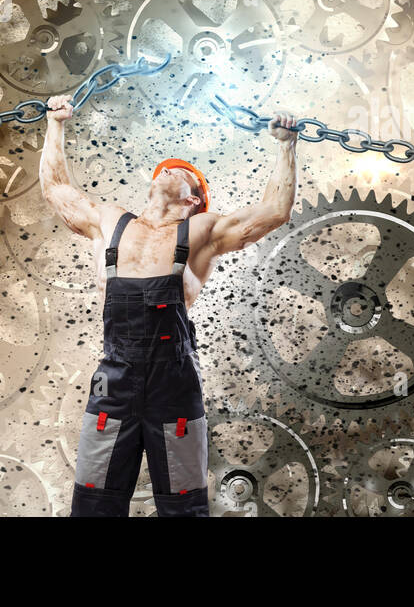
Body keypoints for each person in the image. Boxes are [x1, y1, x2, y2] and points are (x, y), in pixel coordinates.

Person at [39, 93, 298, 517]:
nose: (169, 169)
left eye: (182, 172)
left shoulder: (201, 232)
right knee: (93, 505)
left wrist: (286, 146)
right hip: (114, 381)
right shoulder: (109, 221)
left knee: (184, 510)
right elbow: (56, 190)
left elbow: (274, 211)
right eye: (164, 169)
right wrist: (56, 124)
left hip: (173, 385)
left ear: (194, 199)